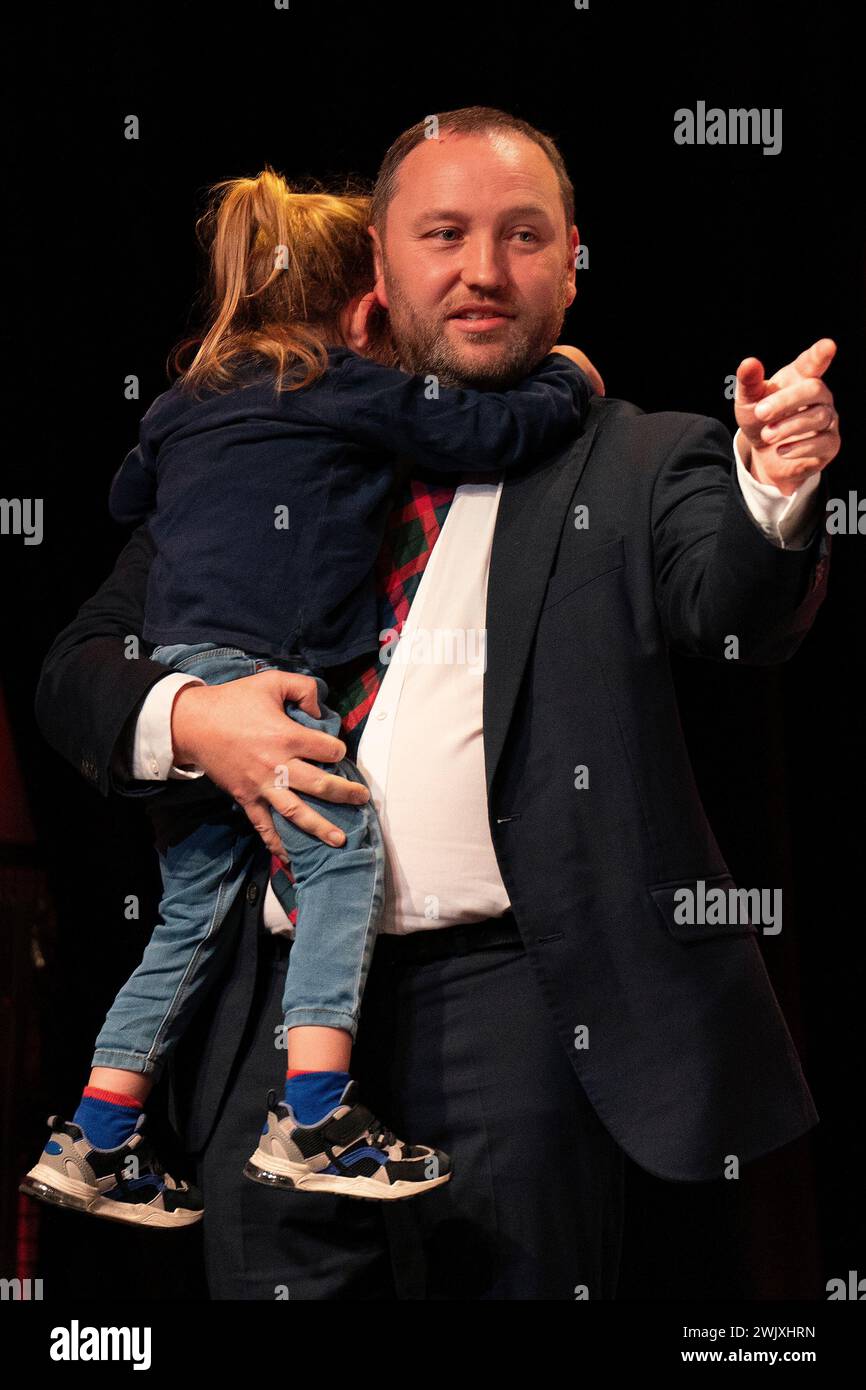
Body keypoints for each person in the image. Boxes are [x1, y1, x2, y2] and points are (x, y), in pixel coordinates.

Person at [32, 106, 839, 1298]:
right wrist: (195, 721)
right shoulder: (254, 452)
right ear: (377, 266)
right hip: (270, 1018)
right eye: (444, 233)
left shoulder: (636, 458)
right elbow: (77, 672)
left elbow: (737, 606)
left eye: (523, 236)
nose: (482, 270)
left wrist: (773, 493)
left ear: (571, 264)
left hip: (523, 1018)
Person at [20, 168, 595, 1225]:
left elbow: (126, 491)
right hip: (262, 681)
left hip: (182, 654)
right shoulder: (343, 382)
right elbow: (486, 435)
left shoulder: (186, 402)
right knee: (342, 855)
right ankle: (318, 1116)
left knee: (188, 916)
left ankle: (98, 1135)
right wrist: (564, 379)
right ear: (369, 305)